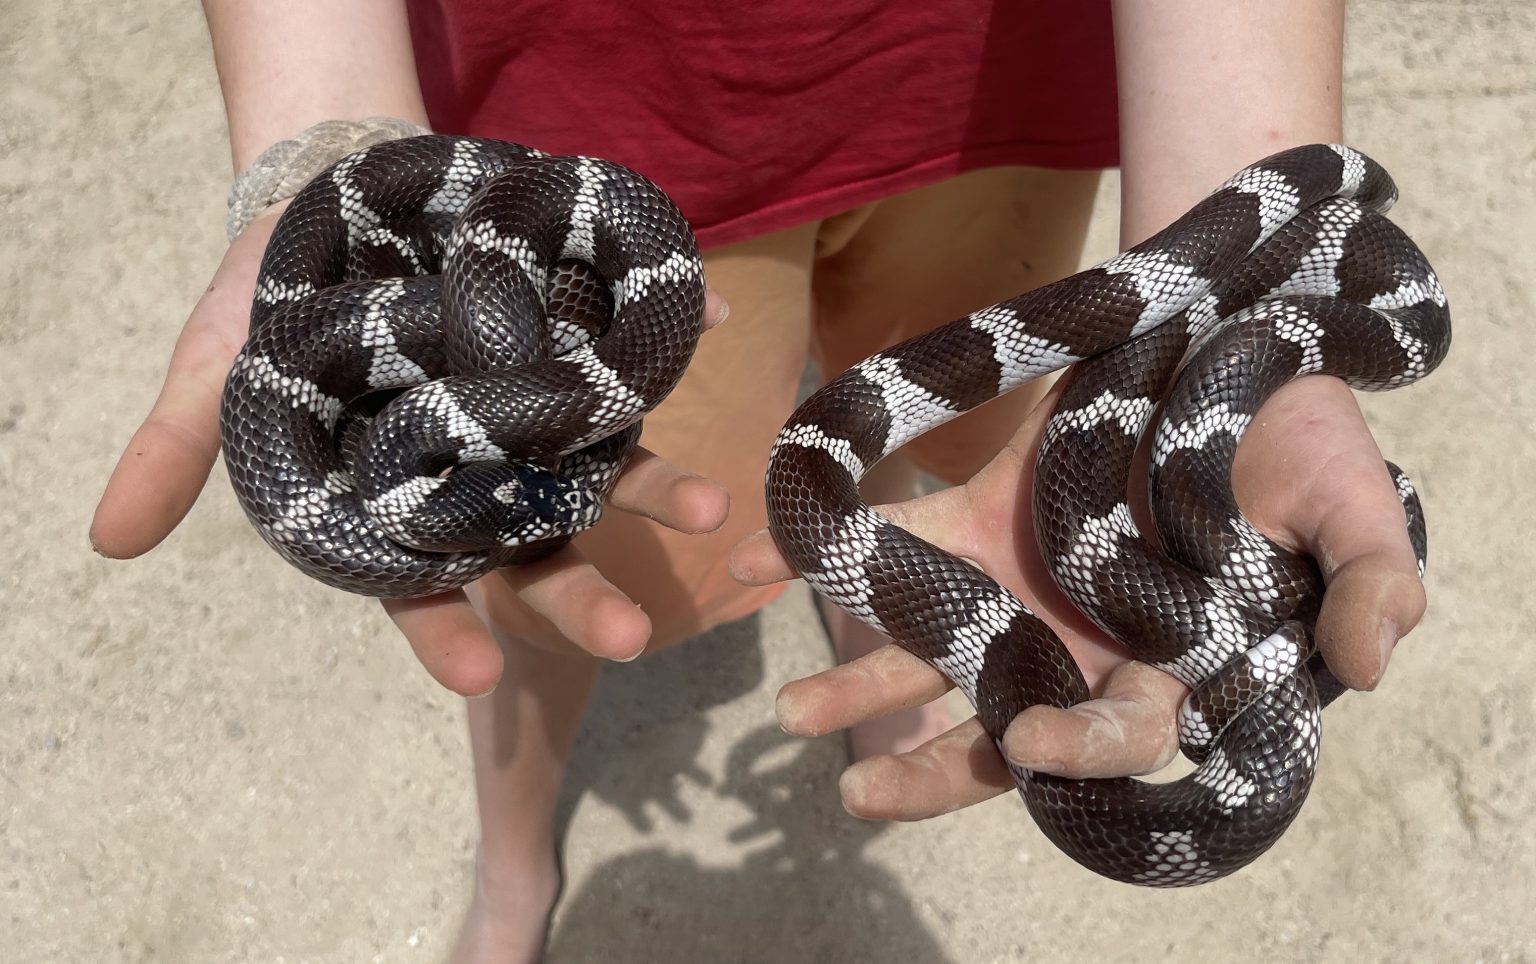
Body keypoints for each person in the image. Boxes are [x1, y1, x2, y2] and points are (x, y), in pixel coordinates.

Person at [91, 1, 1429, 960]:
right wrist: (323, 158)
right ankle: (516, 844)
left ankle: (884, 581)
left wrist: (1231, 245)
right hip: (624, 118)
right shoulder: (542, 318)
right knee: (589, 577)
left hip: (997, 86)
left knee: (966, 450)